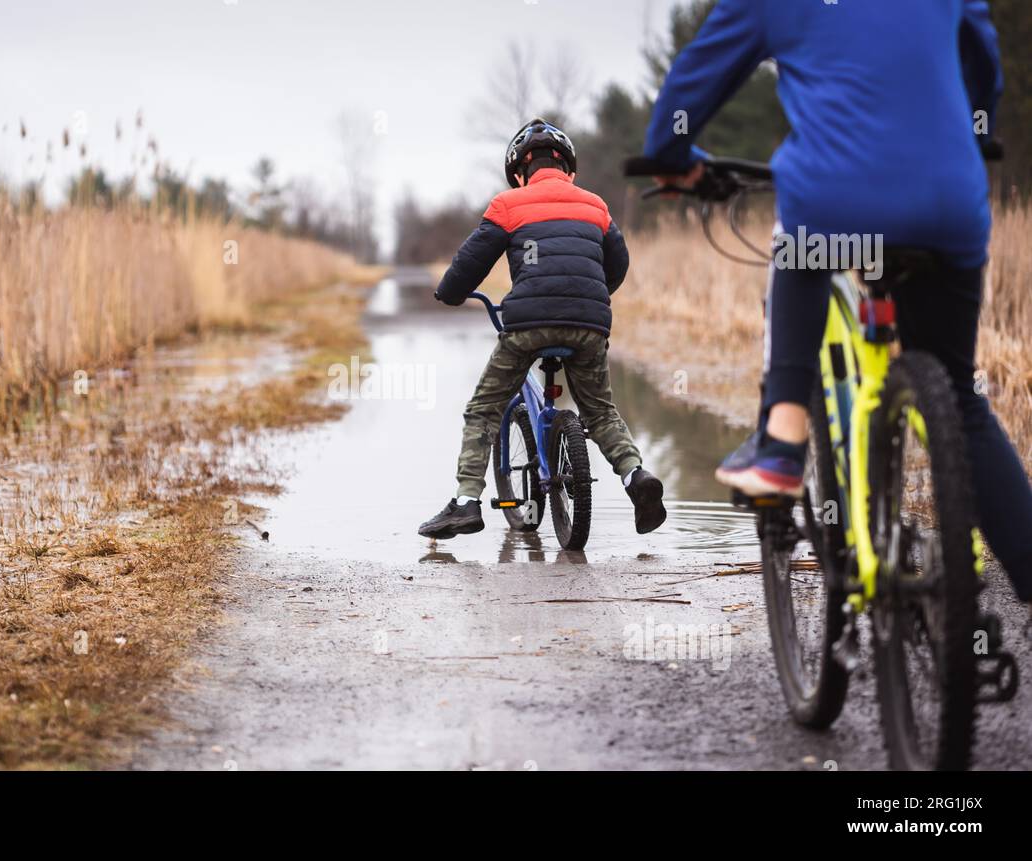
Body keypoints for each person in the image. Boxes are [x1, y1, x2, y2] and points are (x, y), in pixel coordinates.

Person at [640, 0, 1032, 603]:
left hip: (832, 208)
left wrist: (674, 162)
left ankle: (782, 437)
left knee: (797, 250)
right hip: (950, 203)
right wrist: (977, 131)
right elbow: (982, 64)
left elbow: (687, 96)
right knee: (958, 395)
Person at [418, 119, 667, 540]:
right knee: (601, 410)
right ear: (567, 168)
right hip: (589, 324)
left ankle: (465, 503)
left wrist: (450, 293)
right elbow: (618, 265)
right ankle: (634, 476)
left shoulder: (508, 205)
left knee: (484, 408)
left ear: (519, 173)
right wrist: (589, 298)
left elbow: (468, 265)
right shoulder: (596, 207)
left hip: (528, 325)